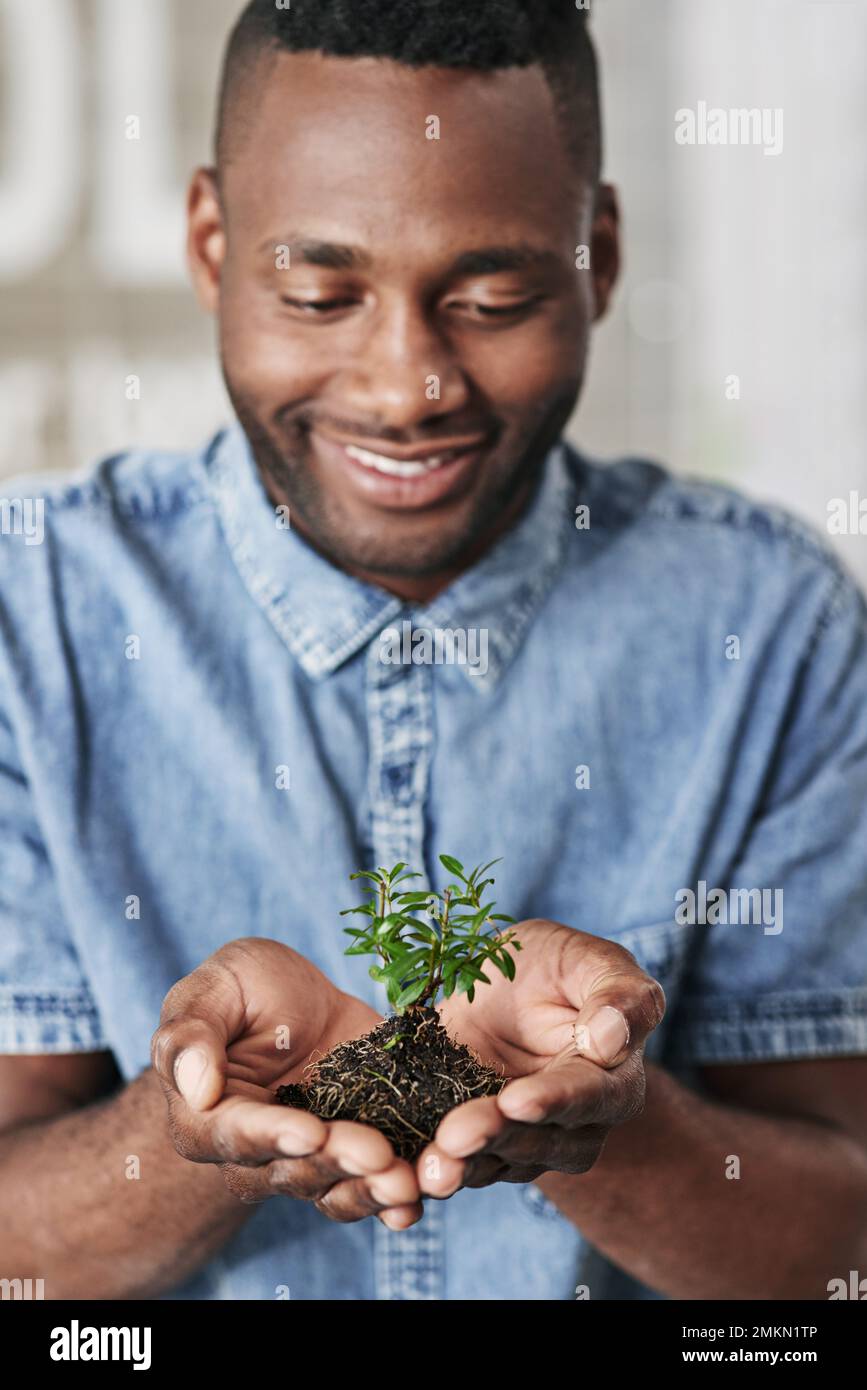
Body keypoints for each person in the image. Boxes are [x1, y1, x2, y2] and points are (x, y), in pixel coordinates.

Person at [1, 0, 866, 1302]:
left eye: (494, 297)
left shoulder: (768, 622)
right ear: (209, 243)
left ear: (602, 258)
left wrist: (602, 1122)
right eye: (318, 292)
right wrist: (198, 1131)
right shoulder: (35, 612)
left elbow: (839, 1248)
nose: (407, 385)